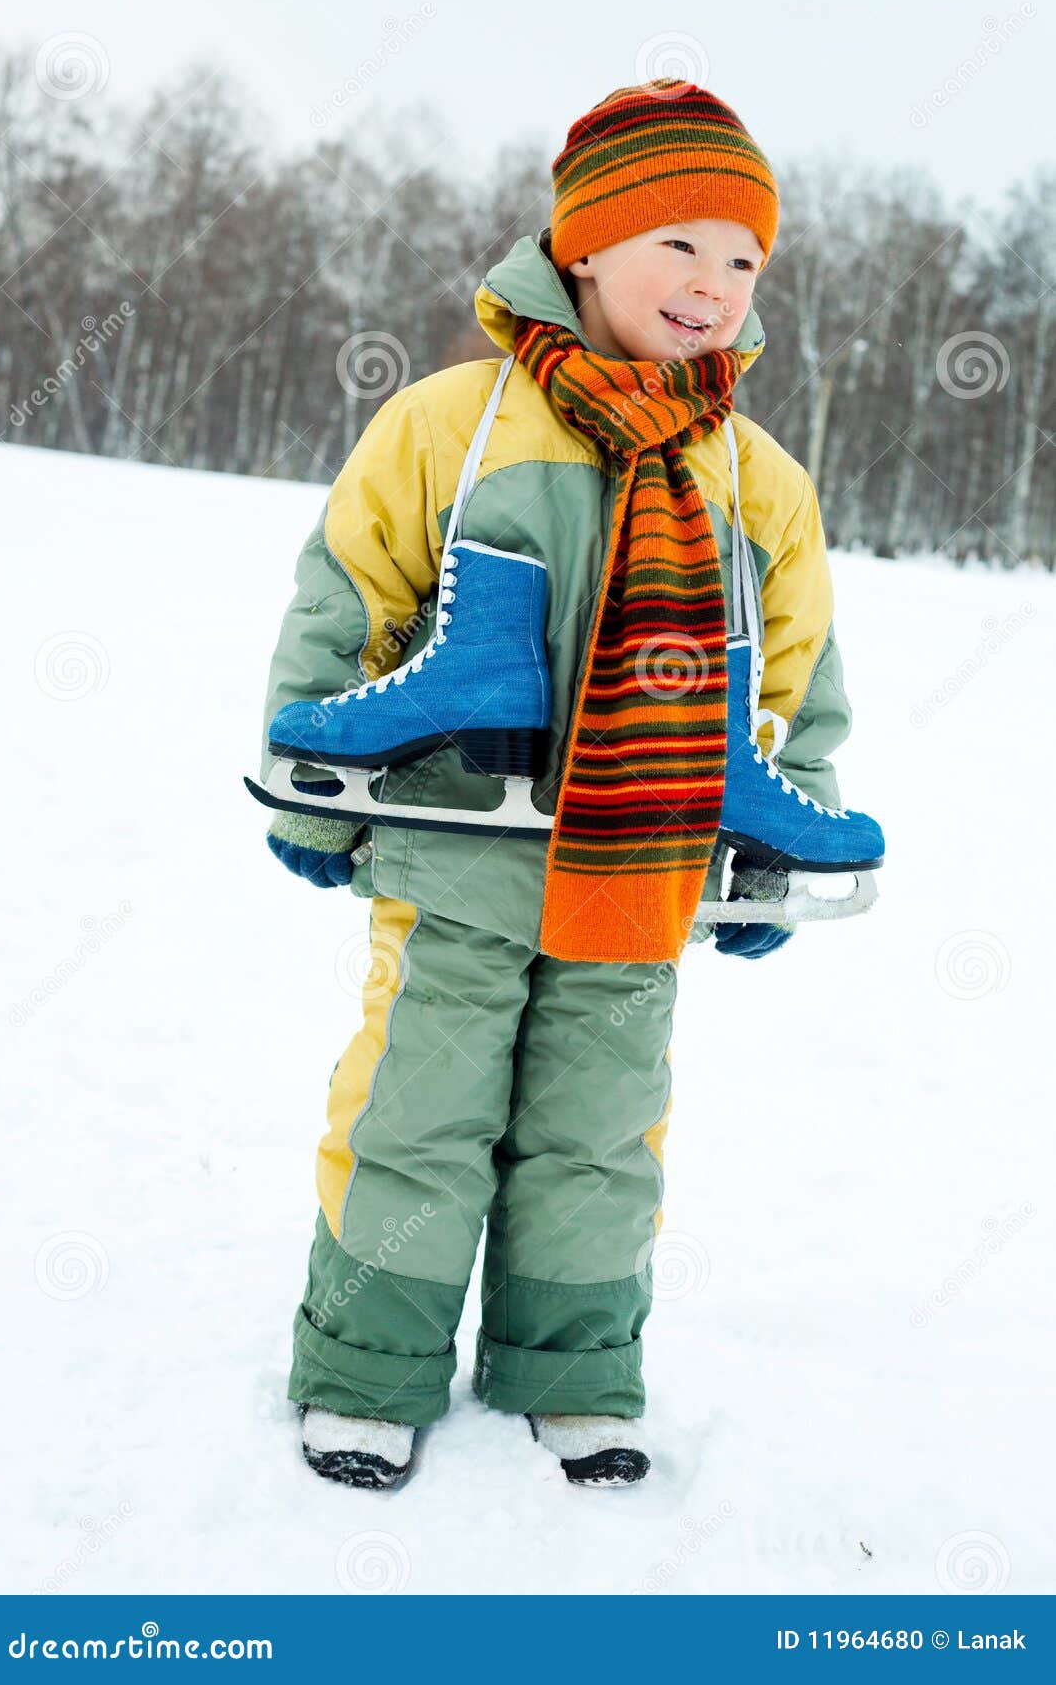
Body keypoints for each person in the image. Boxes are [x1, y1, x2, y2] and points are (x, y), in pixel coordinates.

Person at [256, 81, 853, 1488]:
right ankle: (367, 1364)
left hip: (642, 867)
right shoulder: (454, 424)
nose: (714, 286)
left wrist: (785, 832)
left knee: (600, 1129)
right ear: (583, 245)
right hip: (457, 848)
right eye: (679, 244)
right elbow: (344, 594)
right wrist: (311, 788)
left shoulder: (750, 475)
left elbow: (796, 673)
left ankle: (577, 1368)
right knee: (418, 1111)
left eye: (744, 258)